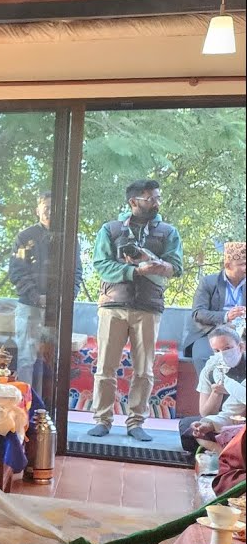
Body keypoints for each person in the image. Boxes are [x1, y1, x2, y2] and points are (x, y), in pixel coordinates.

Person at [87, 179, 184, 441]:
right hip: (113, 305)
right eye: (151, 198)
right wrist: (134, 270)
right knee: (106, 367)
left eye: (157, 198)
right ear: (133, 202)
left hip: (149, 306)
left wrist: (154, 263)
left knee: (144, 369)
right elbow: (101, 265)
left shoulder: (167, 232)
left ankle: (136, 421)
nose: (156, 203)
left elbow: (176, 267)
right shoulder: (110, 229)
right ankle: (102, 419)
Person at [9, 192, 84, 387]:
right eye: (46, 207)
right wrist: (37, 297)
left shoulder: (69, 238)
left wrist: (64, 299)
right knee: (26, 358)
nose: (50, 212)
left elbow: (76, 273)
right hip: (29, 307)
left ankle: (50, 410)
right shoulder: (25, 237)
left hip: (57, 310)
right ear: (38, 210)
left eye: (54, 208)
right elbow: (17, 272)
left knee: (56, 358)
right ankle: (25, 407)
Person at [178, 326, 246, 455]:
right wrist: (217, 392)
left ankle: (221, 452)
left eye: (227, 348)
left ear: (241, 347)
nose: (222, 354)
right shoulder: (212, 370)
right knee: (188, 426)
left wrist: (228, 384)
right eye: (216, 350)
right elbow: (207, 413)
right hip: (225, 420)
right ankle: (227, 453)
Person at [182, 242, 246, 374]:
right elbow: (198, 313)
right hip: (210, 333)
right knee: (204, 358)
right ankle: (211, 393)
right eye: (242, 264)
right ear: (228, 265)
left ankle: (237, 393)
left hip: (242, 335)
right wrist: (226, 316)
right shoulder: (209, 282)